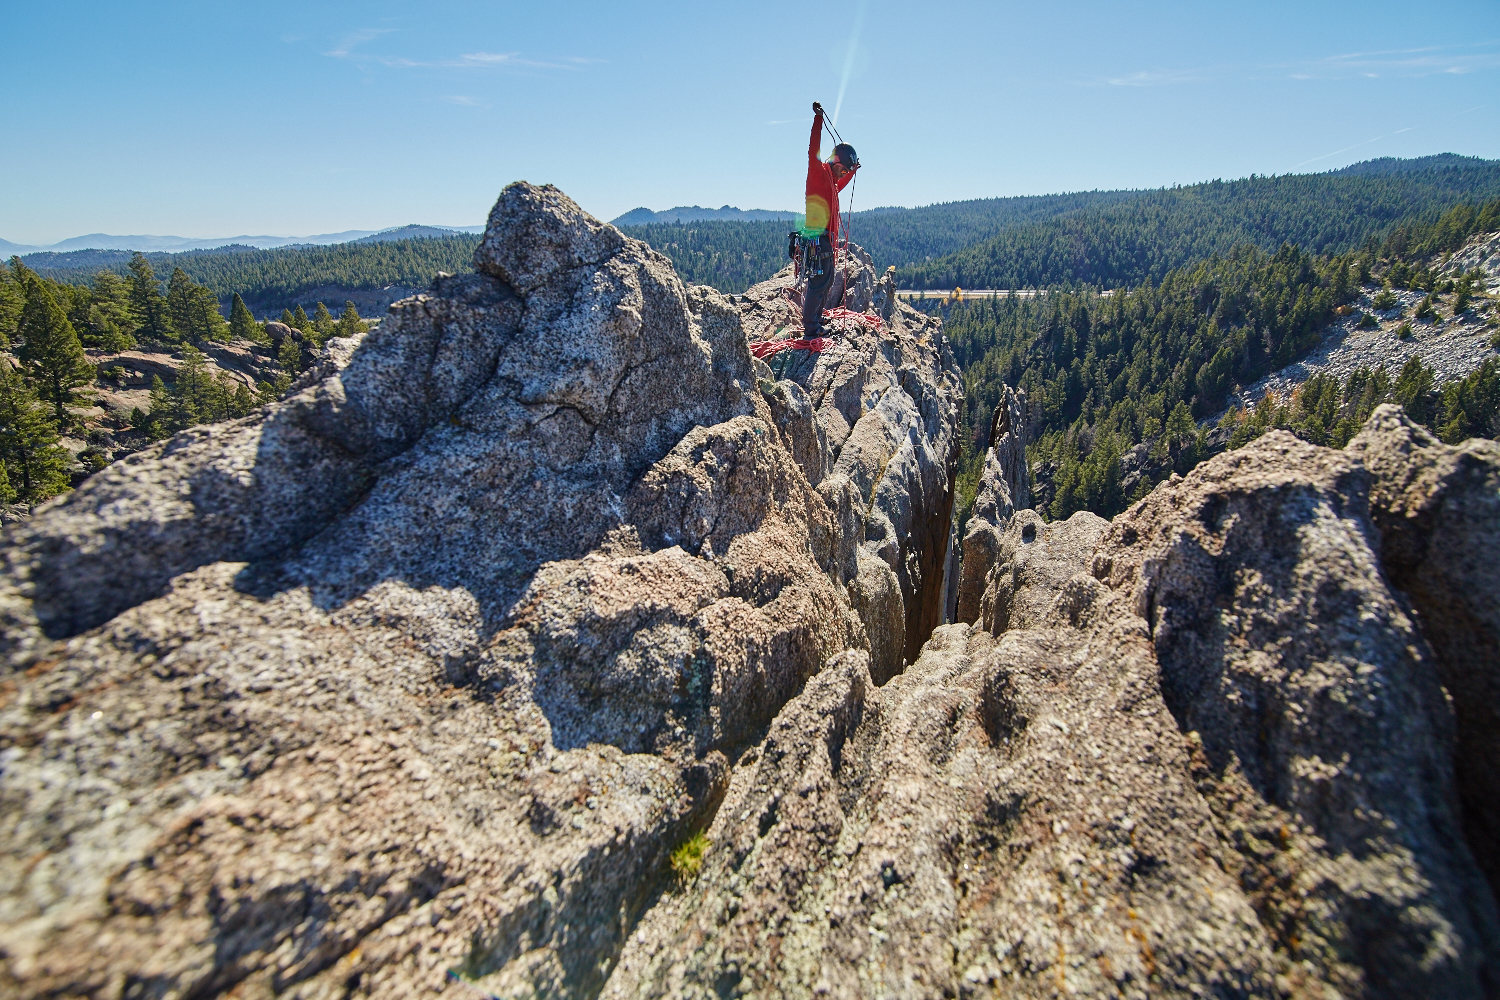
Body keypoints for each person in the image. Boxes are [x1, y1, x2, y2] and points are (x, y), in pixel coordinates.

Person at [801, 101, 859, 338]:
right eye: (843, 170)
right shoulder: (818, 172)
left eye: (846, 172)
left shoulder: (832, 182)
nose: (843, 174)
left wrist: (852, 172)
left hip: (826, 239)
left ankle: (817, 317)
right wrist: (818, 120)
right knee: (819, 282)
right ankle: (811, 328)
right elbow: (812, 149)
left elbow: (840, 185)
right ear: (835, 162)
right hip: (818, 237)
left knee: (826, 280)